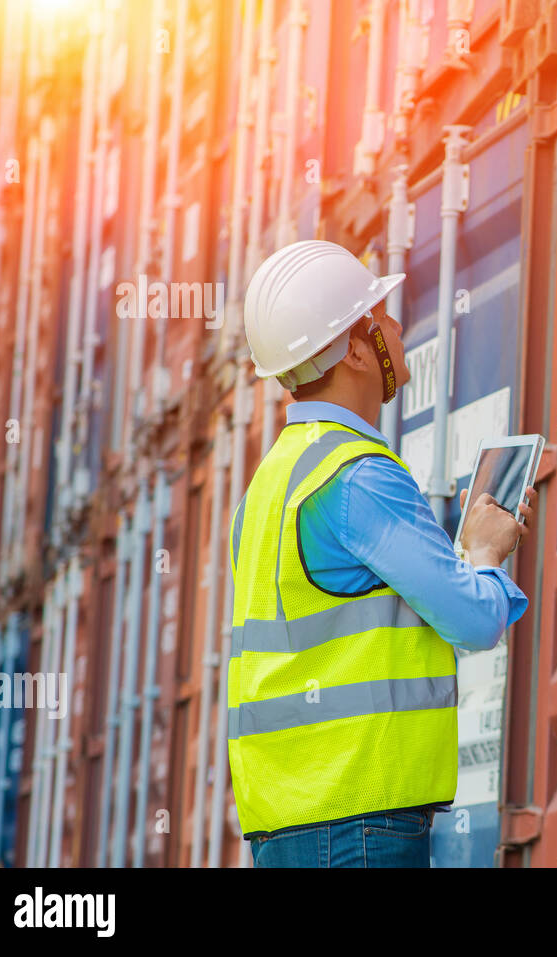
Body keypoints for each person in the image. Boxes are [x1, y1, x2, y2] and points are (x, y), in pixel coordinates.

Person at [228, 239, 534, 867]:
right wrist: (483, 556)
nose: (397, 326)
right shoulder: (359, 474)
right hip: (359, 822)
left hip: (285, 827)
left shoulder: (268, 485)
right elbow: (476, 620)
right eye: (383, 316)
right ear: (358, 350)